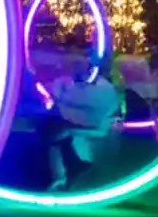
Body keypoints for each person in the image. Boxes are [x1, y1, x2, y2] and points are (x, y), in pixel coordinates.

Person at [39, 55, 122, 191]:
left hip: (96, 127)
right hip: (74, 125)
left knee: (53, 130)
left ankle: (71, 169)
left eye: (74, 69)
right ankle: (69, 169)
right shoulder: (68, 85)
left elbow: (91, 112)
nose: (71, 73)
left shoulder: (102, 89)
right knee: (48, 126)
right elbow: (59, 103)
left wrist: (59, 93)